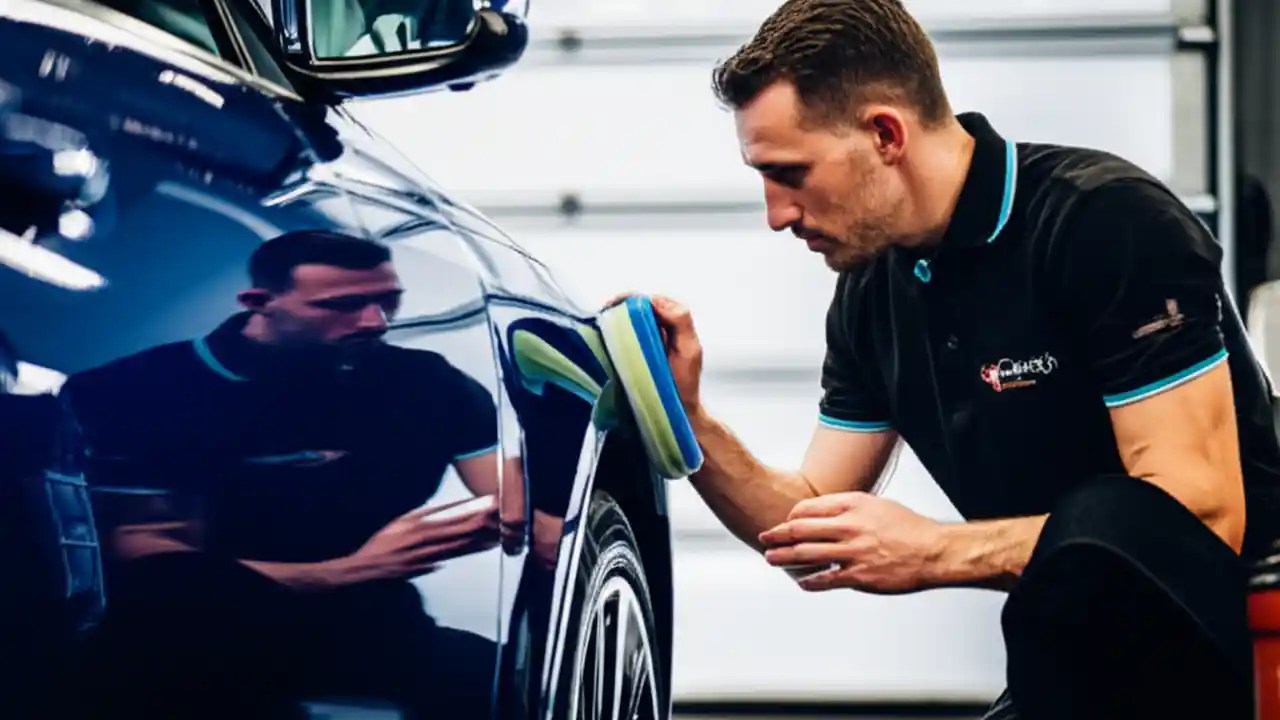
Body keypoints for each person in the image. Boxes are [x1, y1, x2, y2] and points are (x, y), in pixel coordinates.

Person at [617, 1, 1280, 717]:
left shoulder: (1106, 223)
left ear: (884, 133)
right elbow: (809, 522)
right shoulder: (873, 288)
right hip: (1075, 654)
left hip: (1237, 644)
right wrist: (688, 419)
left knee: (1108, 505)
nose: (776, 213)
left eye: (791, 173)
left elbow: (1200, 514)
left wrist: (935, 551)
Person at [61, 229, 515, 717]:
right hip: (195, 634)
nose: (375, 322)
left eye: (388, 302)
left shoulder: (429, 383)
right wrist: (352, 569)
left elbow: (510, 497)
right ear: (261, 302)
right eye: (342, 305)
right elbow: (149, 564)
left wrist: (527, 515)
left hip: (367, 622)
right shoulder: (135, 392)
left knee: (504, 688)